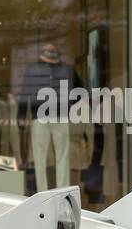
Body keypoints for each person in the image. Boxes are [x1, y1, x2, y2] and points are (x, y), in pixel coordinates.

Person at [18, 43, 83, 192]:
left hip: (58, 116)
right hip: (41, 116)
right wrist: (21, 115)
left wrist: (70, 103)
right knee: (41, 158)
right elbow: (24, 93)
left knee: (61, 157)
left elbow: (80, 89)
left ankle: (62, 192)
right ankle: (43, 192)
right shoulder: (34, 69)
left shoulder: (67, 69)